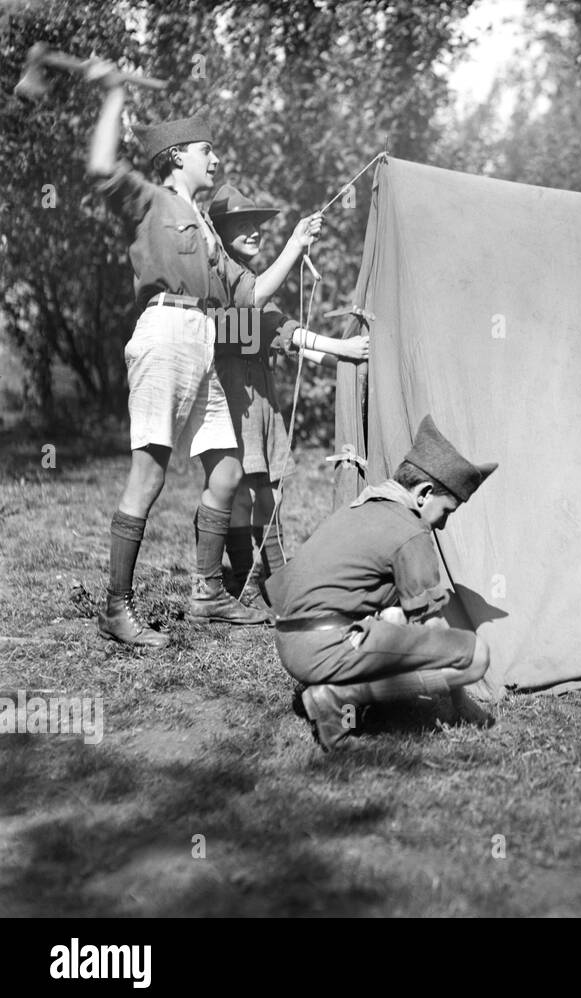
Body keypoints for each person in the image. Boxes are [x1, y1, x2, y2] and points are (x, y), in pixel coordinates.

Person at [85, 67, 320, 646]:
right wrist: (114, 91)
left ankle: (208, 593)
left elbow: (253, 293)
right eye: (205, 151)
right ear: (174, 156)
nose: (215, 160)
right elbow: (98, 166)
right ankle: (117, 609)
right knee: (151, 472)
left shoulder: (208, 230)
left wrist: (294, 244)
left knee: (229, 469)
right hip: (165, 329)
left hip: (204, 339)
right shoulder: (151, 200)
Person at [267, 415, 496, 752]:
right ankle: (338, 697)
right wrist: (464, 707)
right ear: (424, 493)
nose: (444, 524)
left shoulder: (364, 505)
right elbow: (432, 631)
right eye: (447, 510)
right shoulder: (410, 530)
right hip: (324, 647)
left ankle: (345, 708)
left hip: (291, 640)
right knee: (477, 655)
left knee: (395, 617)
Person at [207, 183, 371, 606]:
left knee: (271, 492)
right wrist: (296, 245)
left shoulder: (251, 281)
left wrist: (343, 359)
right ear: (221, 234)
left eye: (257, 224)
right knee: (241, 490)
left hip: (263, 398)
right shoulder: (220, 274)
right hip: (236, 396)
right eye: (242, 225)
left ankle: (277, 578)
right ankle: (244, 577)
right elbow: (271, 327)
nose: (254, 232)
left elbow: (286, 336)